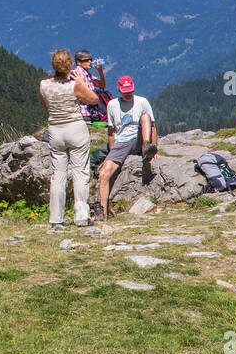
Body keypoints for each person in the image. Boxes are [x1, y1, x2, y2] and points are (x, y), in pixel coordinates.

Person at [38, 49, 101, 232]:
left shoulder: (44, 85)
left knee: (58, 175)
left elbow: (46, 106)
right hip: (75, 128)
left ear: (53, 64)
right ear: (70, 65)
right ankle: (81, 216)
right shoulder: (74, 85)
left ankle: (56, 219)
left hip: (55, 130)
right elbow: (94, 99)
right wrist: (81, 82)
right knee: (80, 172)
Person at [96, 75, 157, 222]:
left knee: (145, 117)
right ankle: (102, 212)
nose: (128, 94)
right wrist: (112, 153)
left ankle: (147, 148)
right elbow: (111, 131)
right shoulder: (112, 105)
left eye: (130, 91)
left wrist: (155, 148)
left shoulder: (142, 101)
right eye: (125, 92)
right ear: (119, 91)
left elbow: (152, 126)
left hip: (140, 137)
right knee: (103, 174)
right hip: (122, 141)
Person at [71, 50, 108, 124]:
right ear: (78, 62)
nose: (90, 62)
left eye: (90, 59)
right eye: (86, 60)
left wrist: (100, 70)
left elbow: (102, 85)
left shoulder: (87, 74)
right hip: (83, 113)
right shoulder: (78, 73)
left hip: (89, 112)